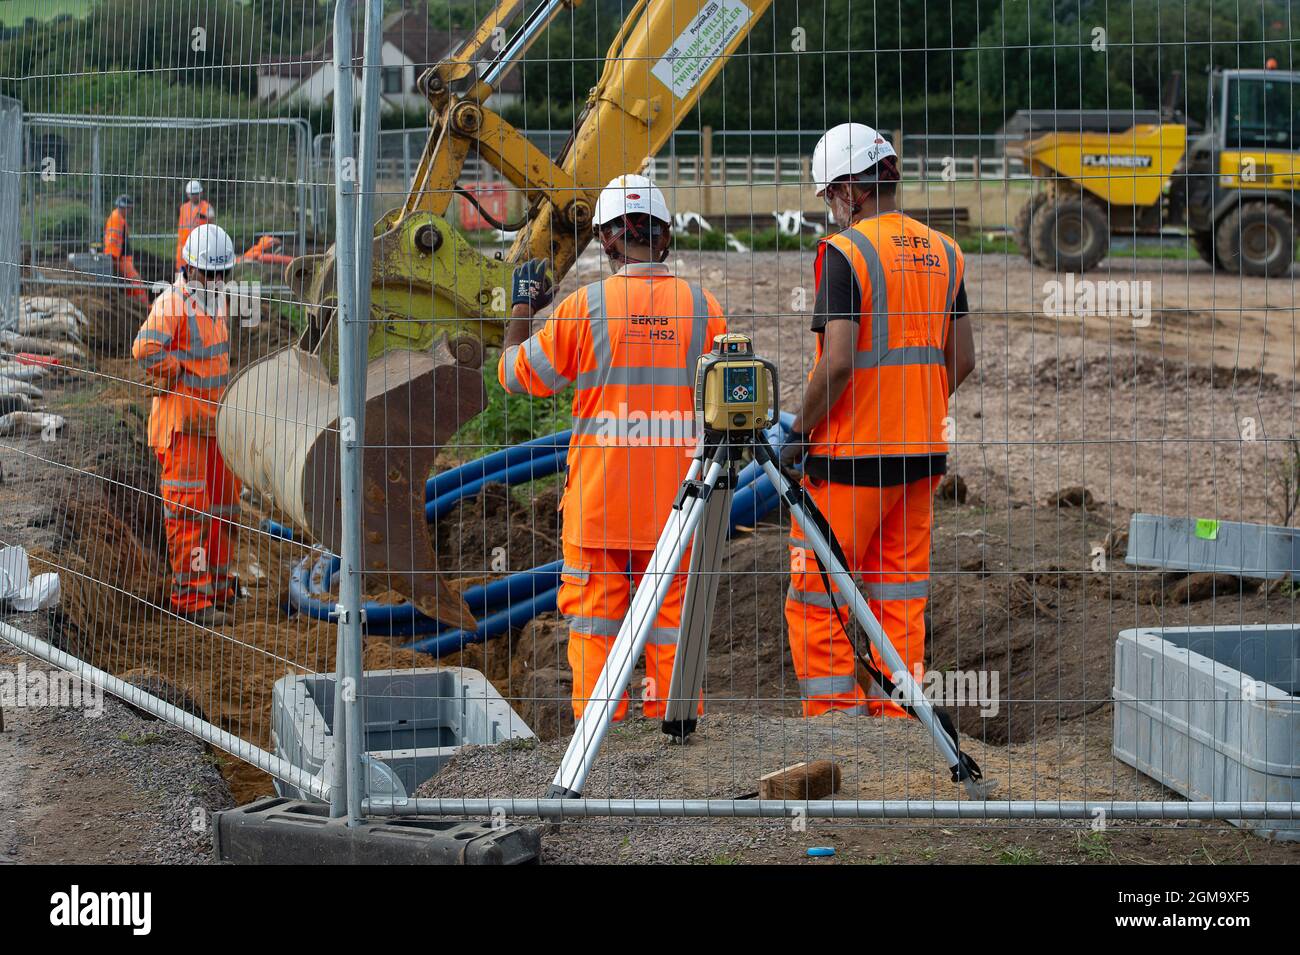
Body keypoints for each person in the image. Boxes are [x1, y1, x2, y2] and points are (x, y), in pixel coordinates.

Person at [498, 174, 728, 722]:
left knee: (597, 635)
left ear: (607, 239)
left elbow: (515, 375)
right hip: (678, 508)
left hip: (599, 510)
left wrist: (521, 312)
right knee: (673, 632)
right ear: (664, 235)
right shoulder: (705, 309)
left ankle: (597, 763)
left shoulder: (585, 308)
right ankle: (676, 751)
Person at [780, 123, 976, 716]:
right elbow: (961, 360)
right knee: (899, 597)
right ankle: (899, 727)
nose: (831, 210)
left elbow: (837, 363)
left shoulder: (844, 253)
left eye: (830, 197)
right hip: (920, 459)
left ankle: (837, 726)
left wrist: (798, 434)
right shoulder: (946, 251)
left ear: (849, 190)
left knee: (820, 596)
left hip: (850, 462)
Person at [131, 223, 241, 626]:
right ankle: (192, 598)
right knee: (189, 513)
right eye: (208, 274)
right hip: (182, 431)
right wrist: (173, 369)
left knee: (225, 508)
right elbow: (144, 348)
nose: (214, 281)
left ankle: (219, 585)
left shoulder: (219, 302)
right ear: (190, 269)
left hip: (215, 427)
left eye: (221, 274)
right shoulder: (173, 304)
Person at [103, 194, 146, 302]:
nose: (130, 211)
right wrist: (114, 259)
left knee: (129, 284)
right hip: (120, 259)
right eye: (130, 208)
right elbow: (113, 241)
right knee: (136, 281)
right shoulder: (116, 219)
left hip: (121, 258)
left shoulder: (118, 218)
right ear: (125, 207)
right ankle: (146, 306)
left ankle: (133, 304)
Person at [176, 180, 215, 272]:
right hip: (184, 246)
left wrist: (204, 216)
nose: (194, 196)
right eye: (192, 193)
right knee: (182, 274)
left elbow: (211, 216)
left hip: (199, 247)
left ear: (201, 193)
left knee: (197, 272)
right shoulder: (183, 208)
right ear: (187, 194)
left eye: (196, 193)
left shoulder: (206, 206)